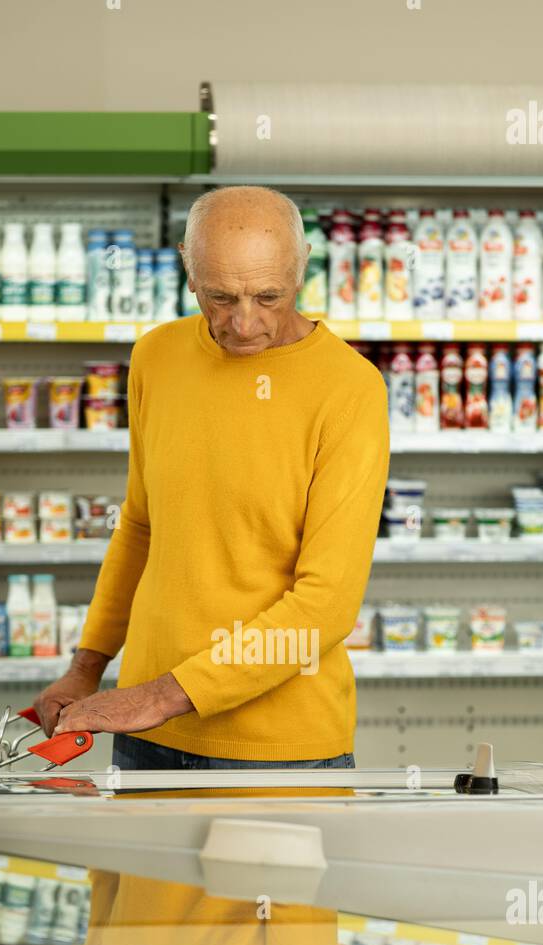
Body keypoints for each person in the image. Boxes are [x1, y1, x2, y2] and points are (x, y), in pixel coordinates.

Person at [34, 185, 389, 771]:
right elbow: (141, 528)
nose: (245, 324)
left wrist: (159, 696)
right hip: (144, 732)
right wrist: (85, 669)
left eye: (268, 296)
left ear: (302, 269)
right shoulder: (157, 356)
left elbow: (325, 604)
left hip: (275, 744)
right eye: (222, 297)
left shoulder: (349, 390)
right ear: (188, 270)